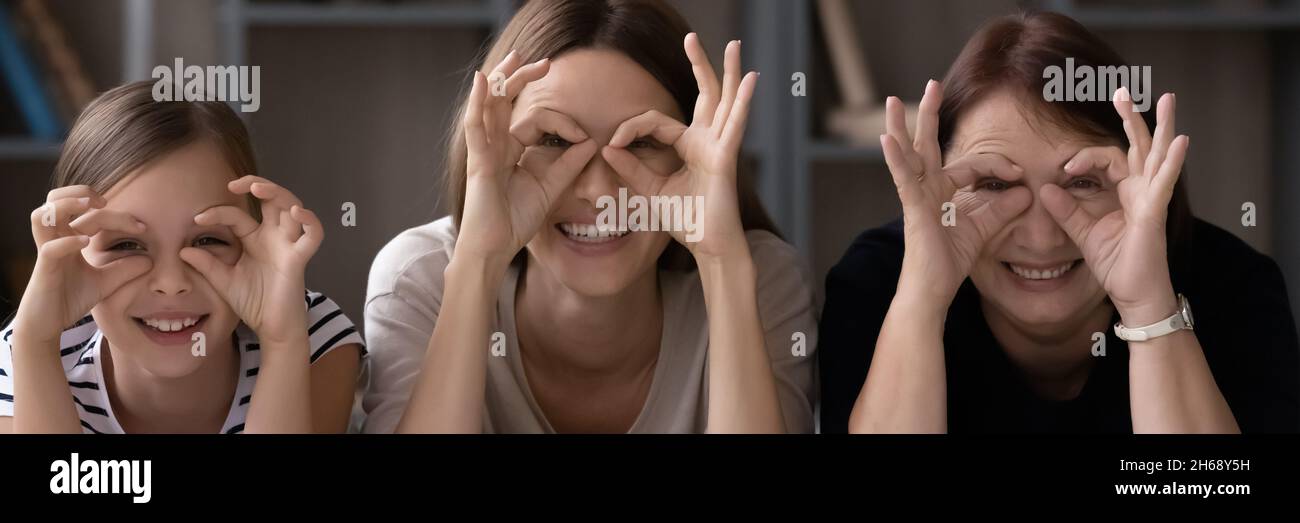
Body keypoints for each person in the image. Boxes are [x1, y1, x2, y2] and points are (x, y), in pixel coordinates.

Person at [819, 11, 1300, 433]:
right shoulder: (879, 282)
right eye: (994, 184)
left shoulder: (1234, 286)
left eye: (1084, 183)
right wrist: (923, 296)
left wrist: (1149, 307)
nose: (1042, 235)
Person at [362, 0, 817, 433]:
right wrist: (479, 260)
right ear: (494, 150)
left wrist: (721, 263)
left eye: (642, 142)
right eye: (554, 140)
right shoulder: (418, 278)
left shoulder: (758, 280)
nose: (599, 193)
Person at [0, 81, 364, 434]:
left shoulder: (312, 338)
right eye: (126, 245)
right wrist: (36, 346)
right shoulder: (27, 349)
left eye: (207, 240)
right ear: (71, 249)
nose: (171, 284)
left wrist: (283, 343)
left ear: (255, 243)